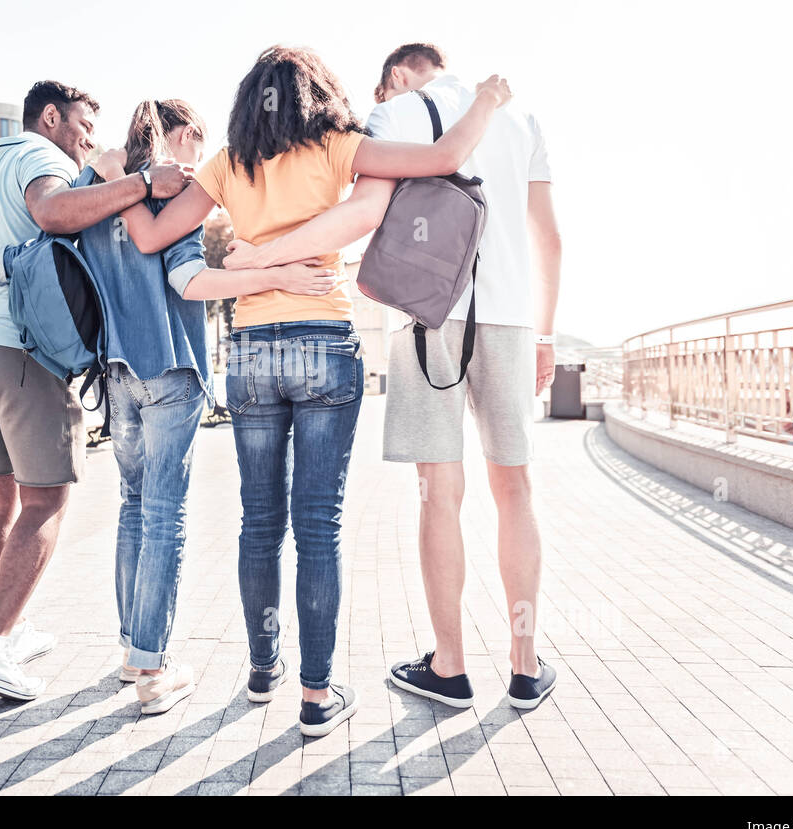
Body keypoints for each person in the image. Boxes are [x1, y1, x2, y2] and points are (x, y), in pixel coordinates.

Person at [97, 45, 513, 736]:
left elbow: (151, 238)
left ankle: (264, 670)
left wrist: (126, 180)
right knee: (317, 525)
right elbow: (445, 157)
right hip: (324, 342)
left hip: (255, 352)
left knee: (259, 522)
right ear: (320, 93)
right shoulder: (340, 145)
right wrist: (488, 100)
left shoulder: (230, 161)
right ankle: (316, 697)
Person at [0, 98, 335, 715]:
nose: (202, 154)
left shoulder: (93, 188)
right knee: (165, 515)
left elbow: (46, 251)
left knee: (134, 508)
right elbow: (187, 282)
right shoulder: (167, 192)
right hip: (171, 368)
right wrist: (276, 277)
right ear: (178, 135)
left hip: (117, 374)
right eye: (198, 138)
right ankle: (153, 667)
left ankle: (133, 650)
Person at [227, 43, 562, 711]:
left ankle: (451, 666)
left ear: (399, 74)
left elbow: (363, 214)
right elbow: (547, 236)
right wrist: (545, 333)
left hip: (426, 317)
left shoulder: (395, 114)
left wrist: (263, 256)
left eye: (382, 89)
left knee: (441, 489)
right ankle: (525, 666)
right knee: (514, 485)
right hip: (510, 320)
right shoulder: (521, 121)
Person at [0, 79, 191, 702]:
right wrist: (141, 185)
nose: (88, 137)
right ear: (49, 116)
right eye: (82, 123)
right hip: (18, 352)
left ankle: (12, 631)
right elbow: (53, 214)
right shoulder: (41, 157)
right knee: (45, 501)